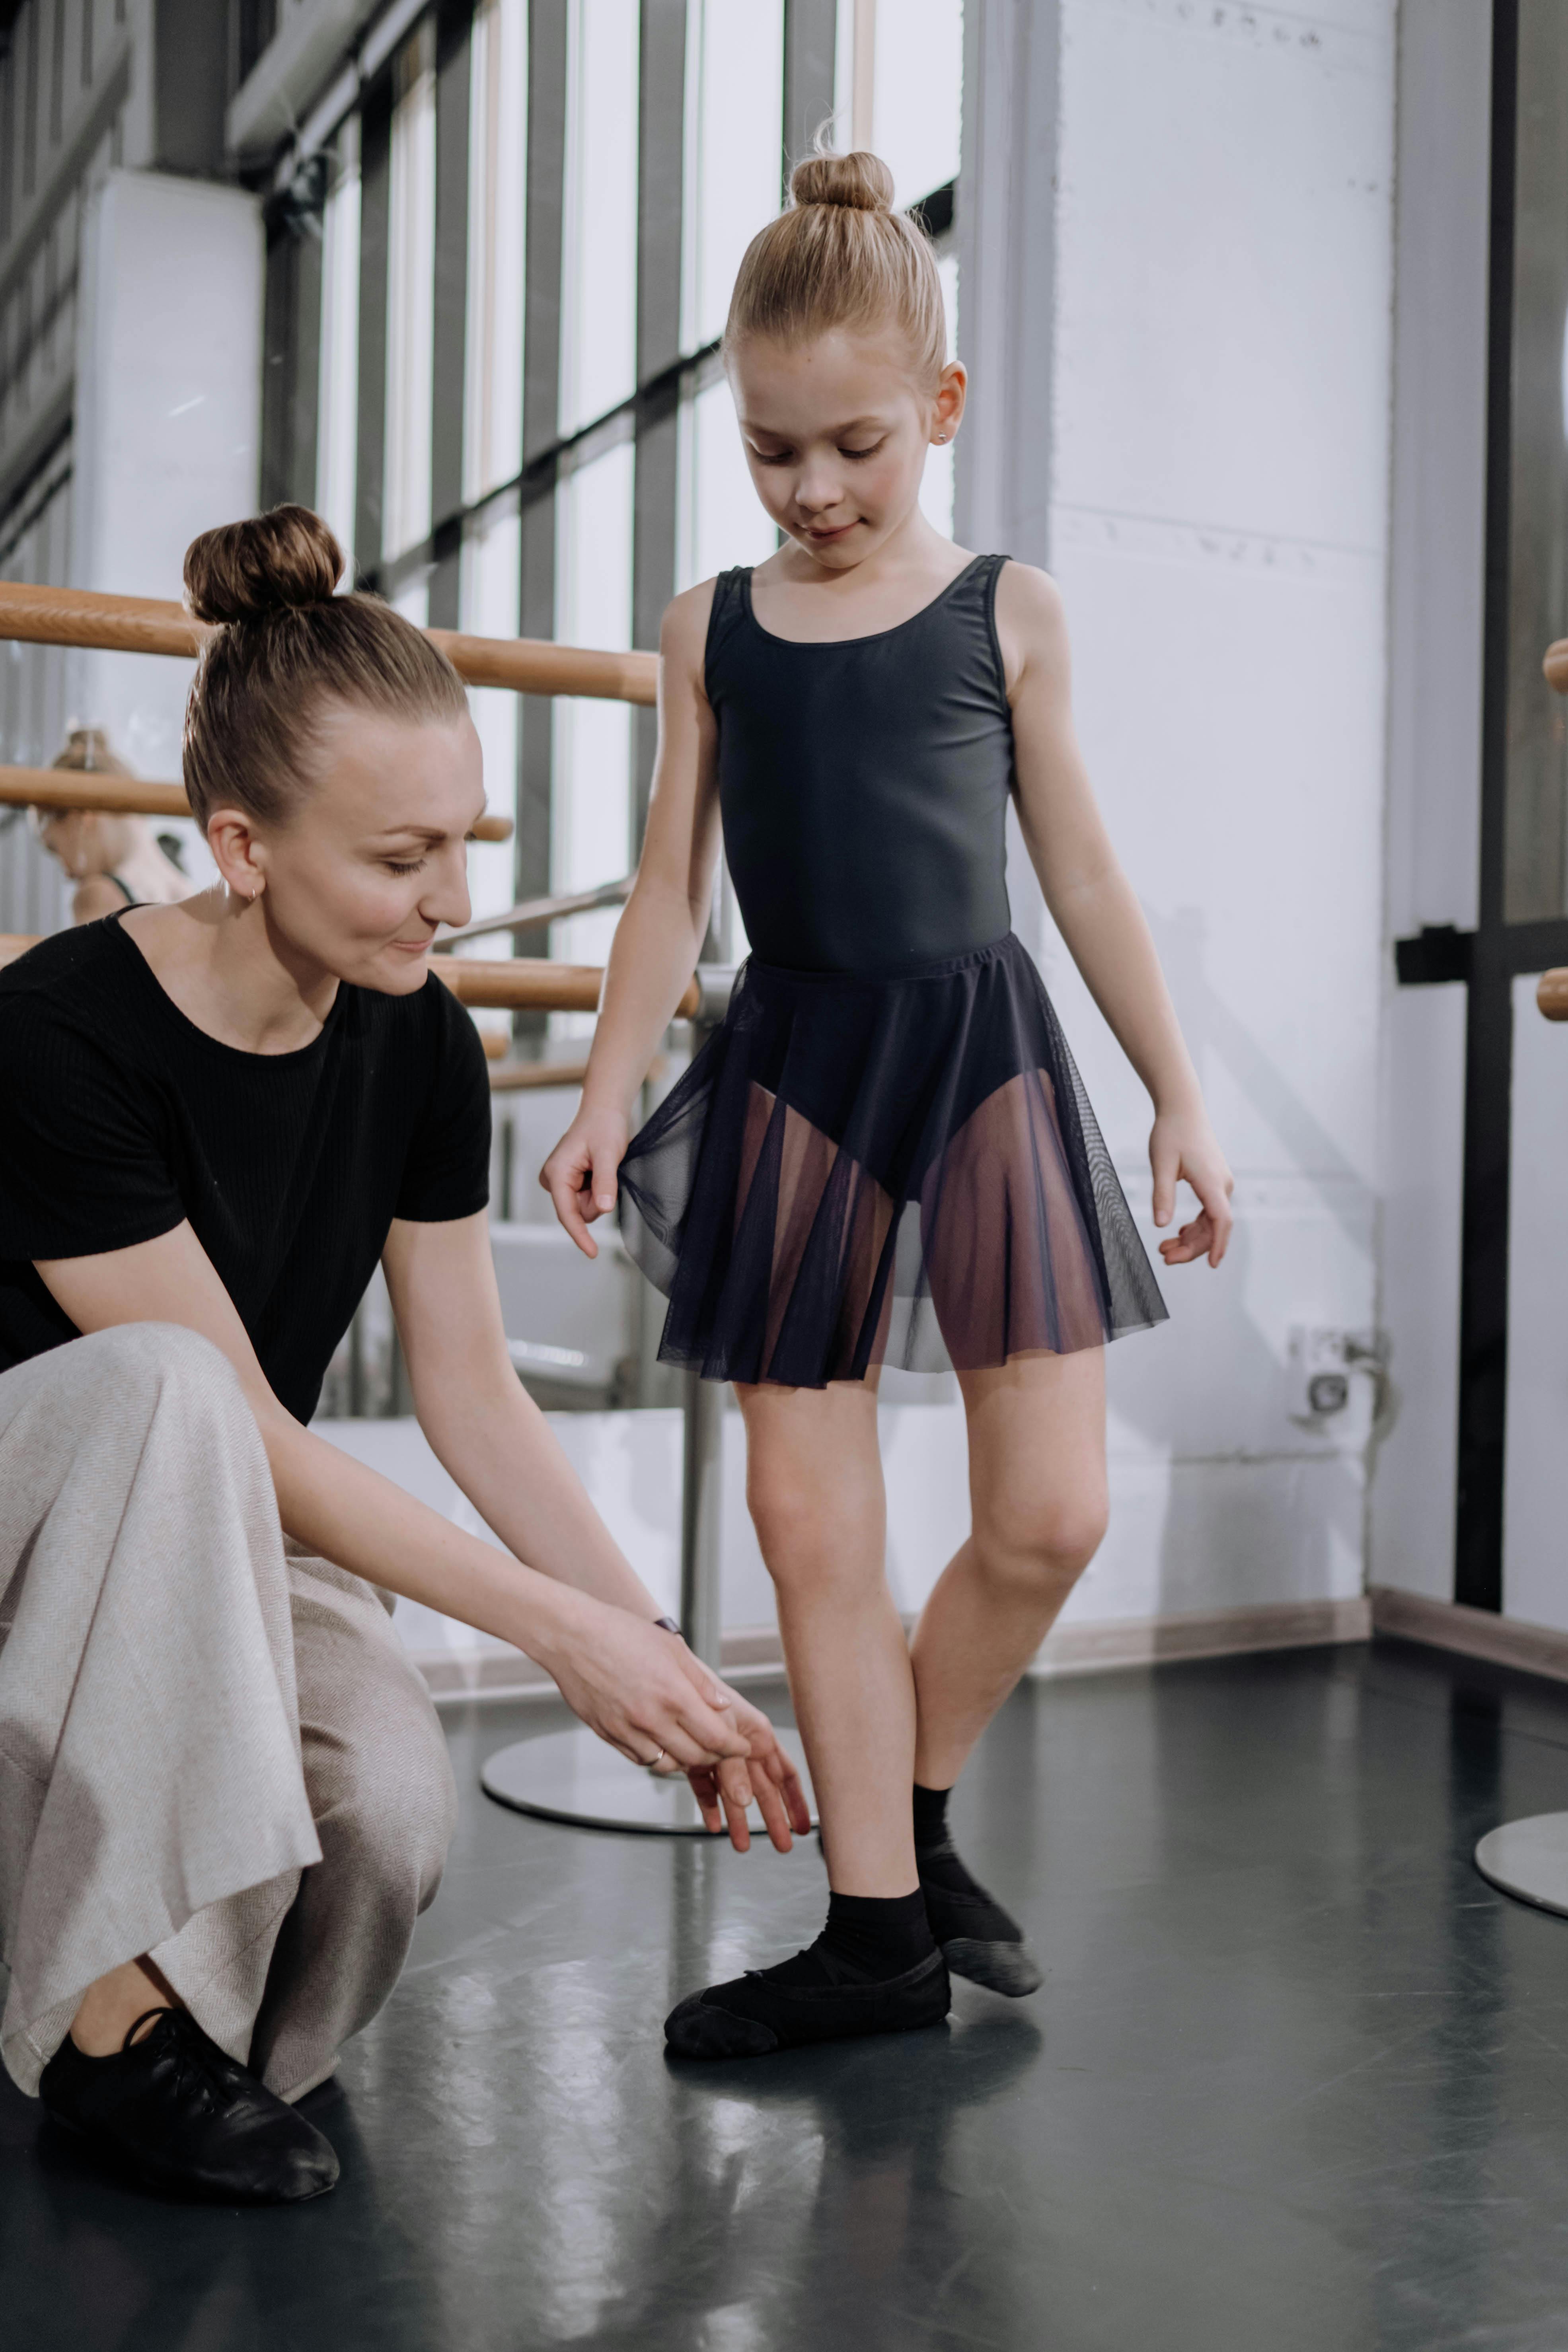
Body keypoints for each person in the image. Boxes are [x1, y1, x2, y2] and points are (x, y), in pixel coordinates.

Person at [0, 504, 807, 2204]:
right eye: (398, 857)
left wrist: (656, 1653)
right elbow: (215, 1411)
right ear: (239, 847)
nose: (451, 898)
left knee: (380, 1808)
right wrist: (554, 1633)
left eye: (465, 840)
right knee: (172, 1386)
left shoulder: (420, 1038)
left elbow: (471, 1390)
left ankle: (171, 2022)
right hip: (47, 1495)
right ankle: (109, 2028)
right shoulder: (57, 1033)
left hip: (219, 1504)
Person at [541, 151, 1233, 2060]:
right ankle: (869, 1935)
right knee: (803, 1519)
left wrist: (1175, 1097)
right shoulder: (714, 633)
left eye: (853, 445)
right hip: (794, 1071)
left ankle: (905, 1825)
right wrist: (607, 1093)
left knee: (1050, 1512)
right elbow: (670, 889)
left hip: (980, 1060)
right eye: (773, 453)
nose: (816, 491)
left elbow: (1078, 875)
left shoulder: (1005, 609)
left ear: (933, 411)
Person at [33, 726, 191, 921]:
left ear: (83, 816)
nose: (66, 873)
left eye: (54, 848)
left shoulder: (99, 896)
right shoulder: (187, 886)